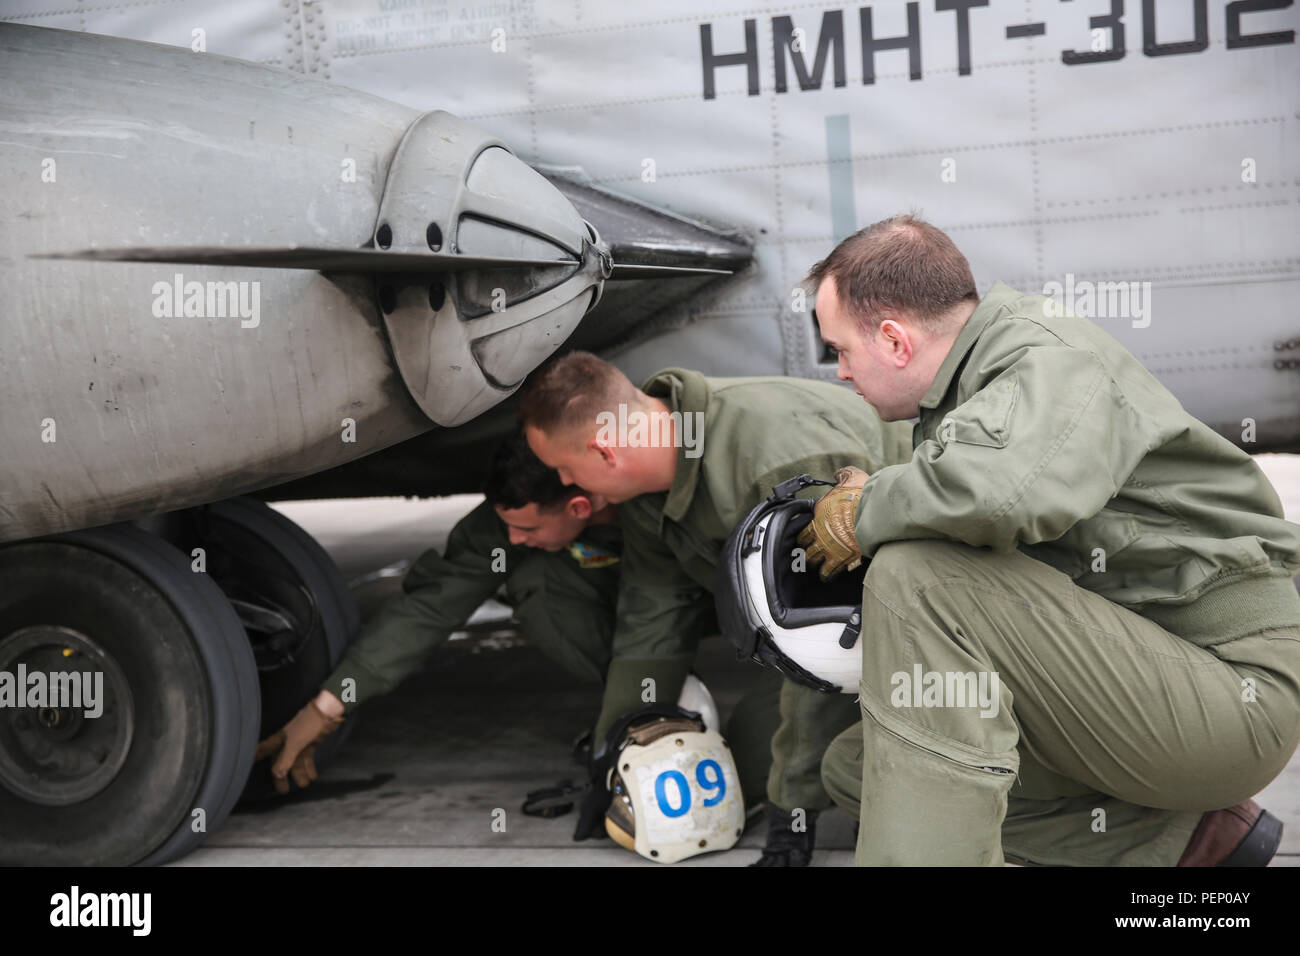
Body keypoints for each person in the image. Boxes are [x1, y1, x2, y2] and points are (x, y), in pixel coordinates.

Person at [799, 213, 1300, 865]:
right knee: (858, 767)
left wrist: (866, 507)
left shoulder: (1045, 354)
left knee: (915, 574)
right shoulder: (977, 387)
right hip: (1157, 675)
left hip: (1230, 690)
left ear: (894, 341)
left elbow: (1001, 494)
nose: (839, 372)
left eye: (840, 349)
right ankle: (1182, 842)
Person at [520, 354, 916, 865]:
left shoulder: (779, 461)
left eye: (563, 469)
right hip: (794, 634)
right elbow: (652, 618)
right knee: (748, 758)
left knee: (760, 765)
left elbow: (831, 641)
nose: (568, 485)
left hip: (905, 619)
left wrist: (790, 815)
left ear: (605, 451)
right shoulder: (647, 489)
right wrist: (611, 754)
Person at [253, 433, 624, 793]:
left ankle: (654, 702)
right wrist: (325, 708)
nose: (512, 540)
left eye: (526, 528)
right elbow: (432, 606)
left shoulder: (649, 492)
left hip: (667, 616)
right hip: (642, 617)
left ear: (579, 506)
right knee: (539, 581)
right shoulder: (510, 524)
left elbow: (658, 610)